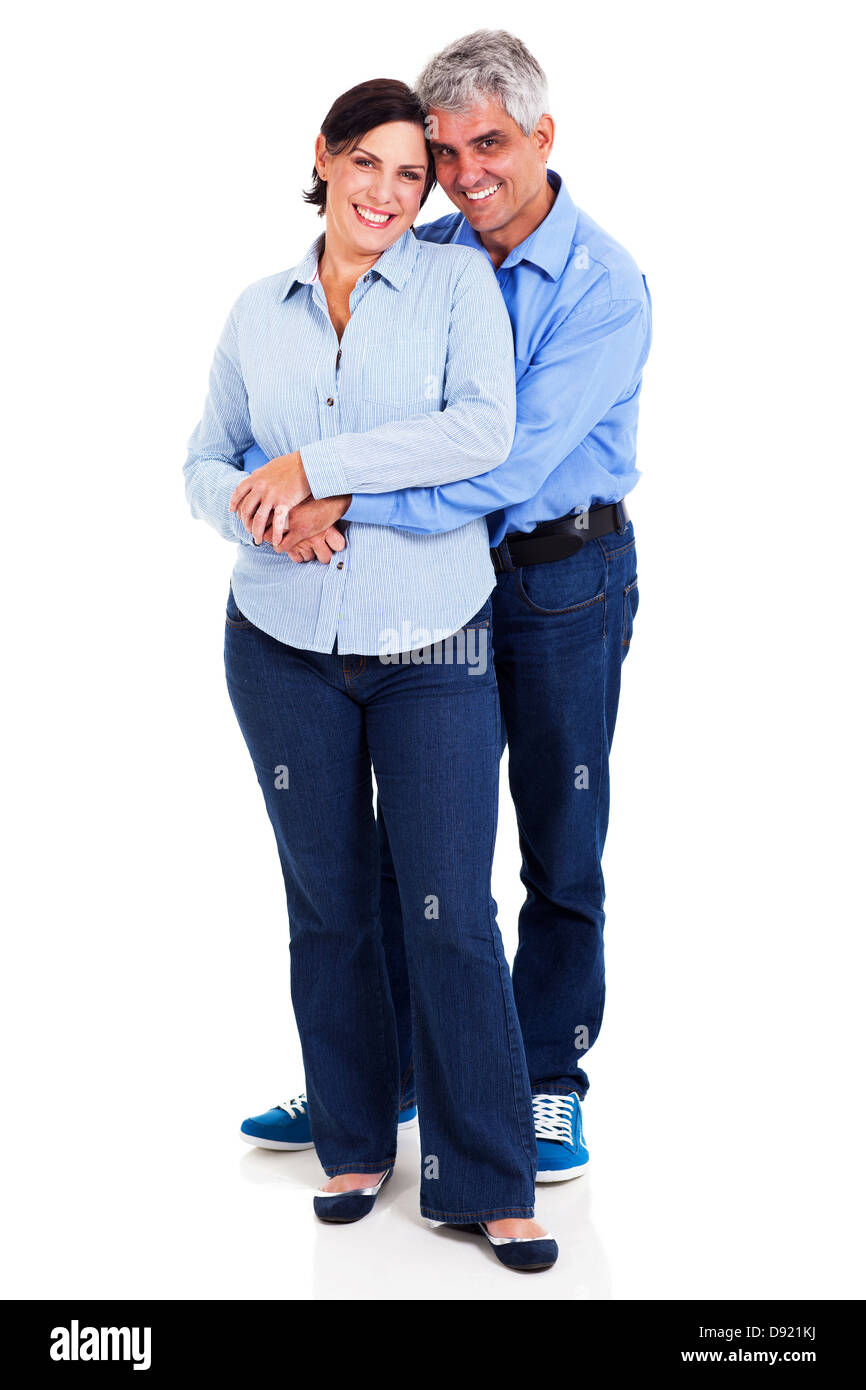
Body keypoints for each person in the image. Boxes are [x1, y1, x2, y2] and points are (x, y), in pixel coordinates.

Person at [241, 32, 653, 1185]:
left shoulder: (602, 285)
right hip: (428, 581)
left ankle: (546, 1076)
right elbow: (351, 395)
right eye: (445, 153)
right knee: (410, 846)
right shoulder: (418, 250)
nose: (465, 175)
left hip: (561, 579)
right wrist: (288, 495)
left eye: (491, 145)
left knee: (558, 841)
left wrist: (333, 492)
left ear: (541, 137)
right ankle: (378, 1074)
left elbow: (503, 463)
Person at [184, 77, 558, 1271]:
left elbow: (481, 429)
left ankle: (488, 1178)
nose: (391, 193)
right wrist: (261, 512)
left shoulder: (455, 287)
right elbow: (204, 462)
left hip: (432, 644)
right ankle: (350, 1144)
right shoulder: (258, 311)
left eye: (412, 173)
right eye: (369, 165)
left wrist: (315, 467)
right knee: (329, 903)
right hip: (280, 644)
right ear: (325, 158)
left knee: (449, 908)